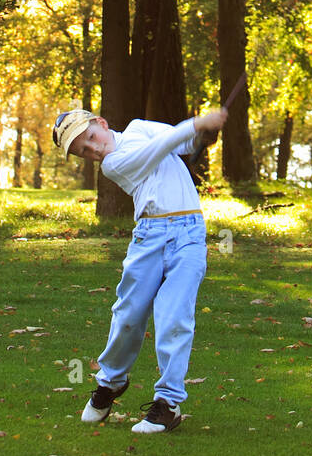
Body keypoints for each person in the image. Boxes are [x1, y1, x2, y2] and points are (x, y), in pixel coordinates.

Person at [52, 105, 227, 434]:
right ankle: (111, 382)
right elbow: (157, 150)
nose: (92, 148)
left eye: (90, 137)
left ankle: (168, 404)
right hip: (149, 237)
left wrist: (204, 134)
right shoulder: (113, 165)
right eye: (83, 151)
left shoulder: (138, 127)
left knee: (174, 316)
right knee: (128, 314)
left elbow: (182, 145)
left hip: (189, 234)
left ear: (101, 123)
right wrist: (194, 123)